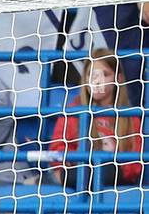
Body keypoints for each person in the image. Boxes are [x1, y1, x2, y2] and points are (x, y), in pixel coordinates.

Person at [48, 49, 144, 187]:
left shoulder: (129, 116)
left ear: (118, 78)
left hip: (114, 176)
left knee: (107, 171)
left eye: (105, 74)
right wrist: (82, 159)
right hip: (77, 173)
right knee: (73, 174)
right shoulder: (73, 110)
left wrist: (111, 164)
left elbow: (135, 163)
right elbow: (57, 150)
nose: (97, 82)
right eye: (91, 75)